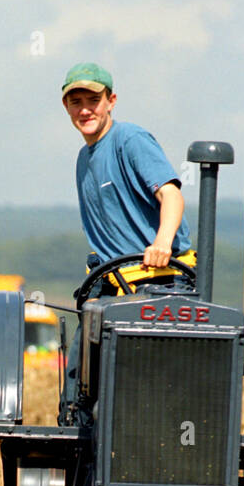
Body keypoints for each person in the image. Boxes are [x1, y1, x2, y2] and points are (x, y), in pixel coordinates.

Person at [59, 62, 193, 421]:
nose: (85, 109)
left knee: (149, 389)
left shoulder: (129, 140)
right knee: (77, 391)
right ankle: (80, 461)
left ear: (111, 101)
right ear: (66, 107)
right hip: (111, 288)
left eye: (93, 99)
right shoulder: (83, 159)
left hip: (160, 283)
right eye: (76, 102)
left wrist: (163, 242)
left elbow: (171, 195)